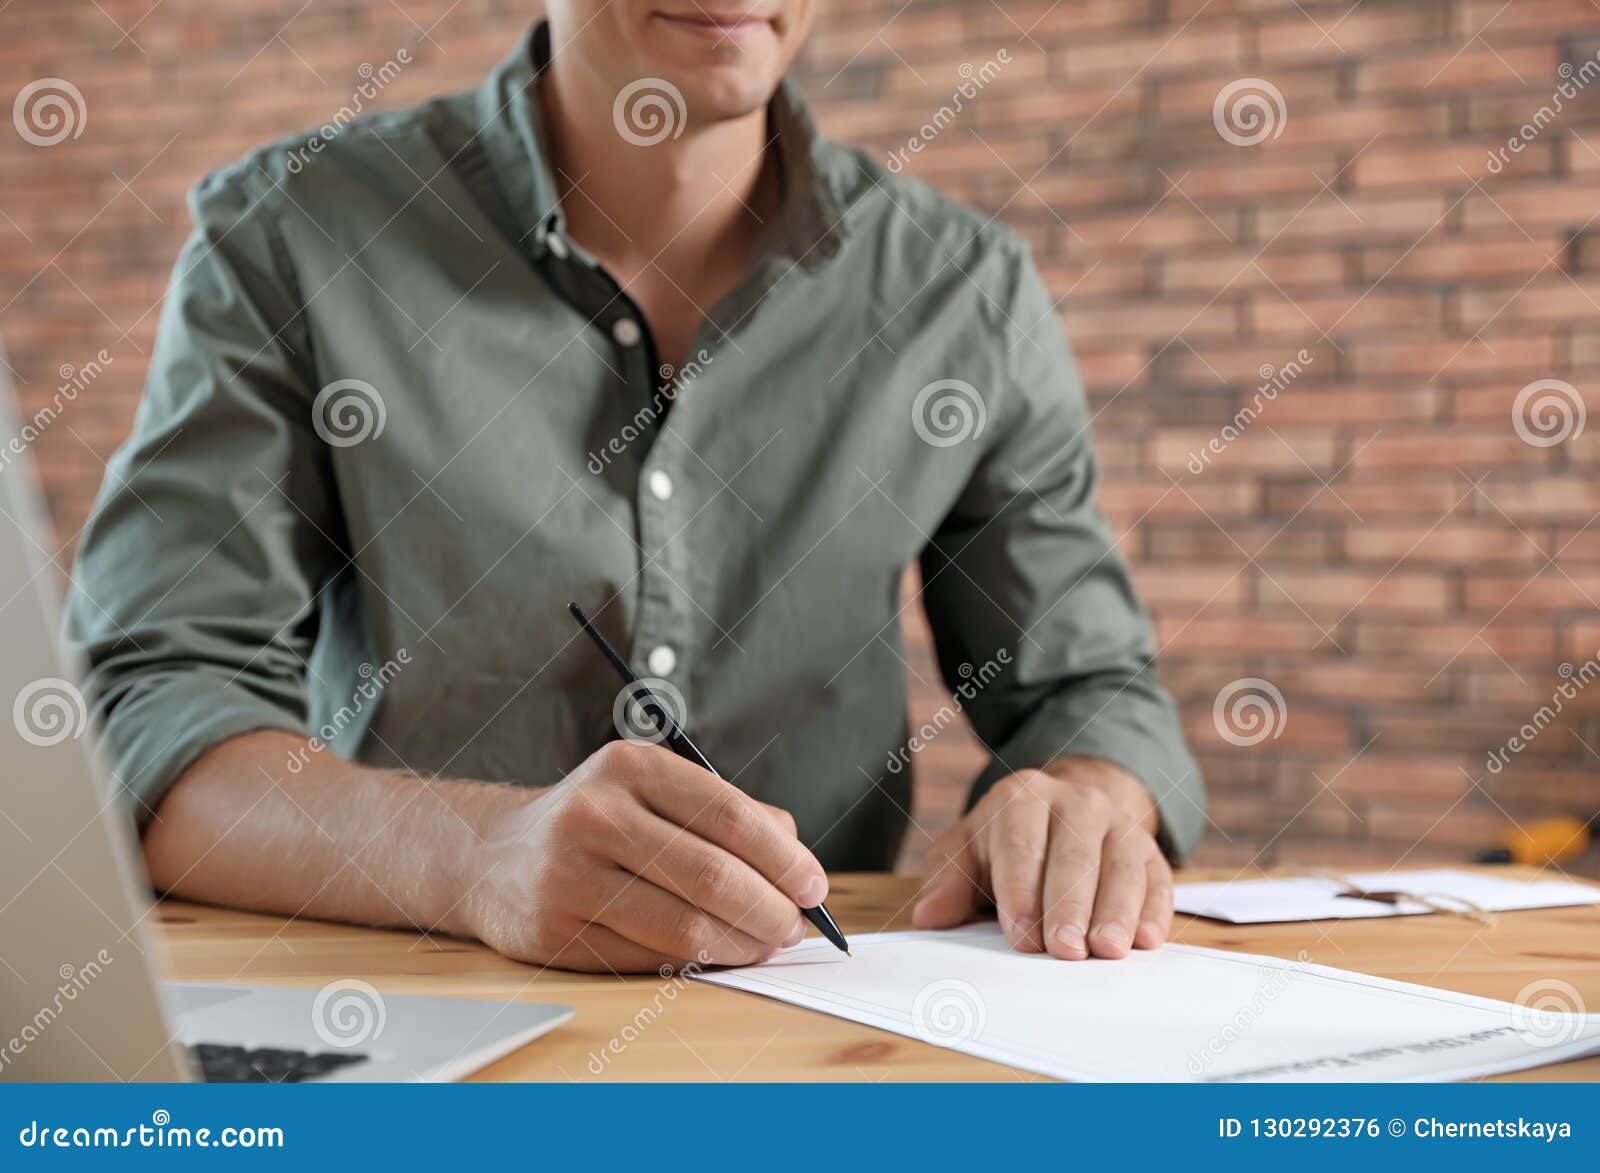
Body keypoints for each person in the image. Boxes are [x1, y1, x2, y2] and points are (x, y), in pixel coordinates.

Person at [66, 2, 1203, 974]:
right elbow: (143, 706)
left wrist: (1085, 794)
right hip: (405, 1016)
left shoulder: (963, 292)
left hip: (819, 1034)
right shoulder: (293, 233)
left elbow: (1088, 687)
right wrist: (472, 859)